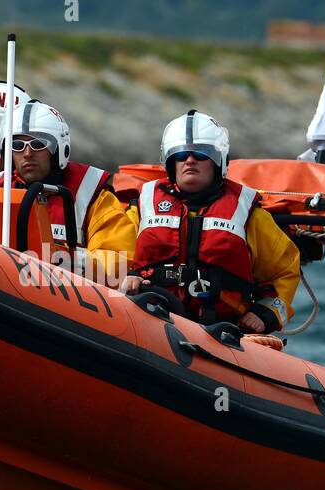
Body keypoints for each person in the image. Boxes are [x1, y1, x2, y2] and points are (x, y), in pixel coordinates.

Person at [120, 110, 300, 334]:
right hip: (149, 315)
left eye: (202, 154)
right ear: (169, 162)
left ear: (219, 161)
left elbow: (285, 270)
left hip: (221, 331)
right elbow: (117, 251)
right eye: (180, 154)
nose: (190, 160)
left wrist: (265, 313)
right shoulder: (144, 205)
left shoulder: (247, 213)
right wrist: (125, 278)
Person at [0, 101, 135, 283]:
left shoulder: (90, 192)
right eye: (16, 145)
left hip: (67, 294)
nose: (27, 153)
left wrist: (66, 259)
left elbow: (118, 260)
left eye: (39, 144)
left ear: (59, 149)